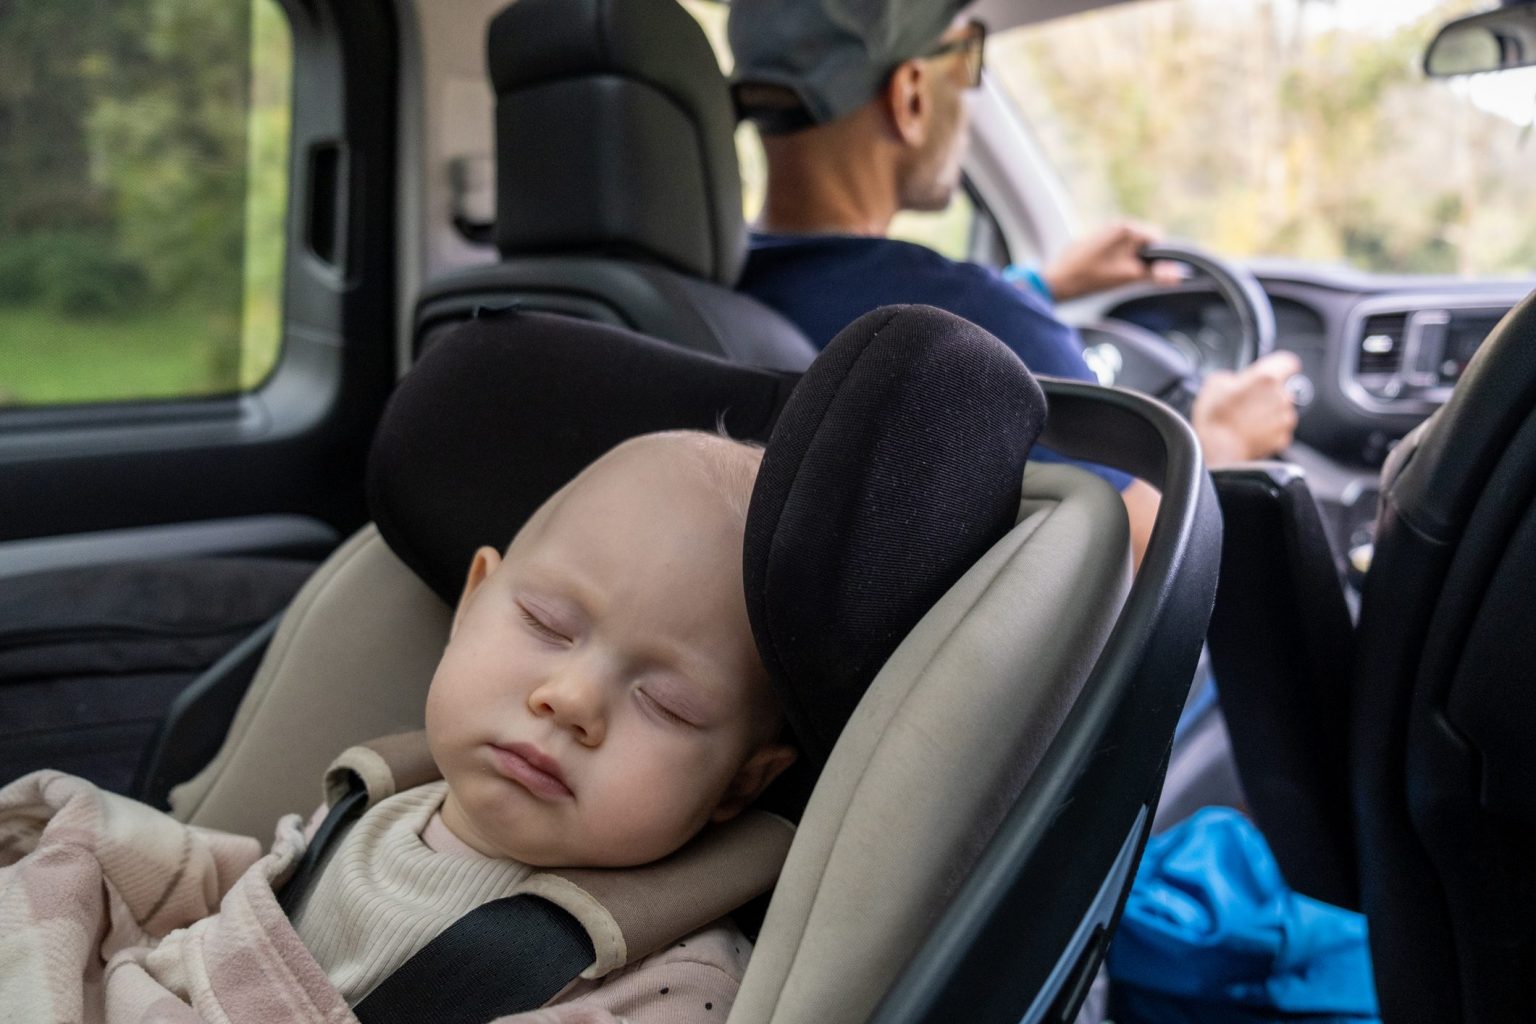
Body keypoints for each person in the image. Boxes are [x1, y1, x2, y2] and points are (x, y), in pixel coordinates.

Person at [0, 430, 796, 1024]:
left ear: (739, 783)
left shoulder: (670, 982)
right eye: (550, 624)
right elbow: (255, 904)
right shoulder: (378, 800)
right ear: (474, 601)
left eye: (667, 704)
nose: (572, 698)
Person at [727, 0, 1301, 563]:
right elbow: (1132, 552)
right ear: (911, 98)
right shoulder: (974, 321)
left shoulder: (718, 283)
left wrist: (1039, 287)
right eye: (966, 57)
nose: (971, 93)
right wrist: (1221, 442)